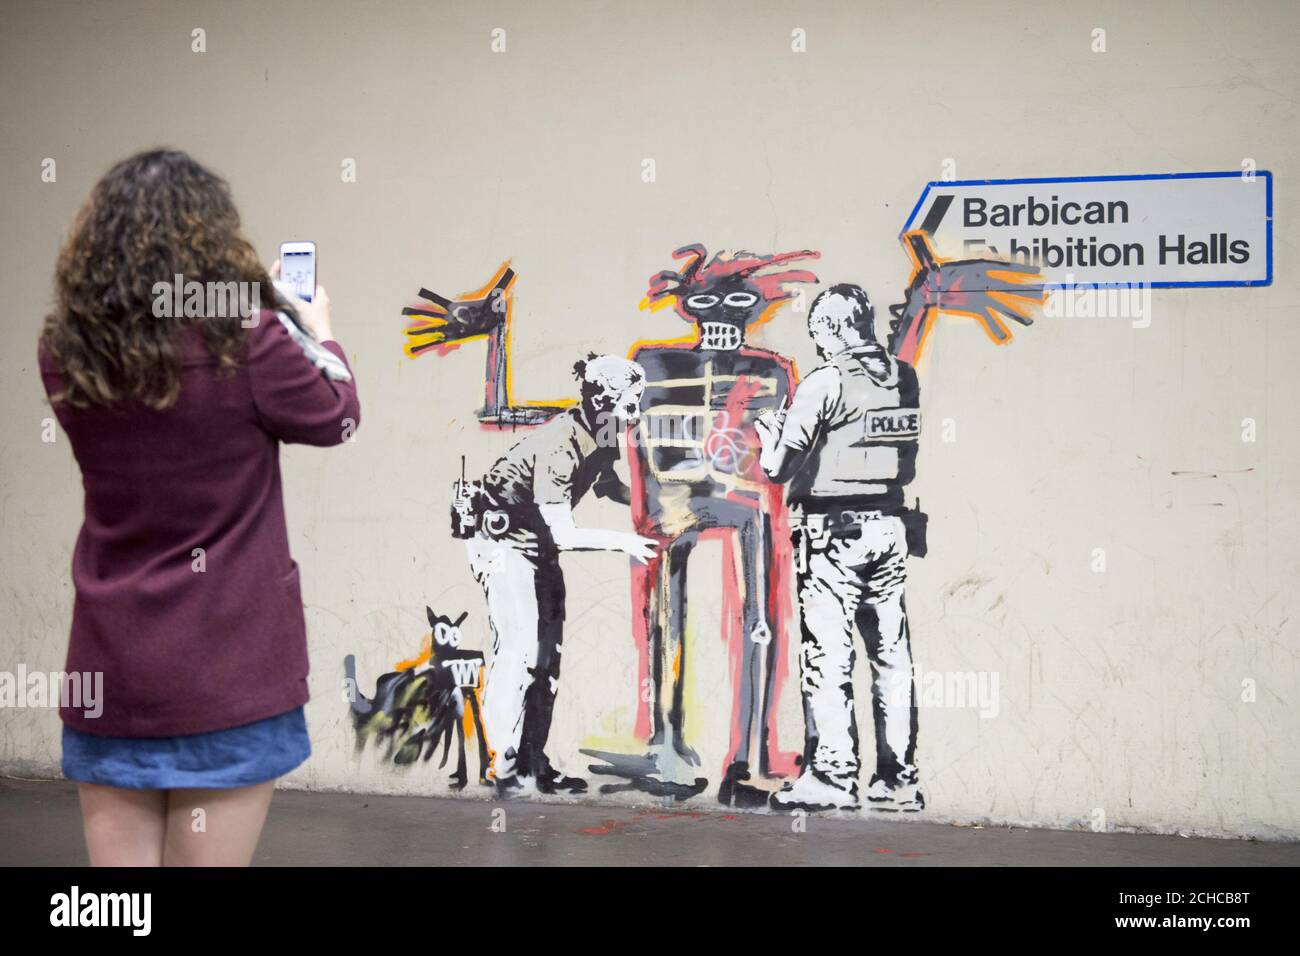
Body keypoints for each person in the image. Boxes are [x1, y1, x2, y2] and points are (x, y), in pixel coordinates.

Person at [37, 149, 360, 865]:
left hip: (111, 669)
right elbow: (337, 415)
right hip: (230, 668)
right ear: (212, 242)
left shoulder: (64, 350)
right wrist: (315, 329)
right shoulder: (249, 340)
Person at [754, 283, 925, 813]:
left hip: (834, 534)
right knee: (891, 657)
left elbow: (778, 469)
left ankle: (832, 778)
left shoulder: (823, 383)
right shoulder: (904, 378)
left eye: (818, 332)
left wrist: (770, 435)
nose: (818, 342)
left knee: (829, 659)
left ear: (831, 330)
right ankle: (898, 781)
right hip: (891, 527)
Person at [453, 355, 657, 796]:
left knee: (547, 662)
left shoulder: (603, 433)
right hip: (504, 547)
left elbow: (607, 487)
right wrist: (626, 543)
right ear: (602, 397)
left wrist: (656, 505)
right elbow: (563, 533)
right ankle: (503, 764)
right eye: (629, 403)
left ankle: (532, 761)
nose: (635, 413)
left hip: (537, 547)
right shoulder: (560, 444)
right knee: (519, 655)